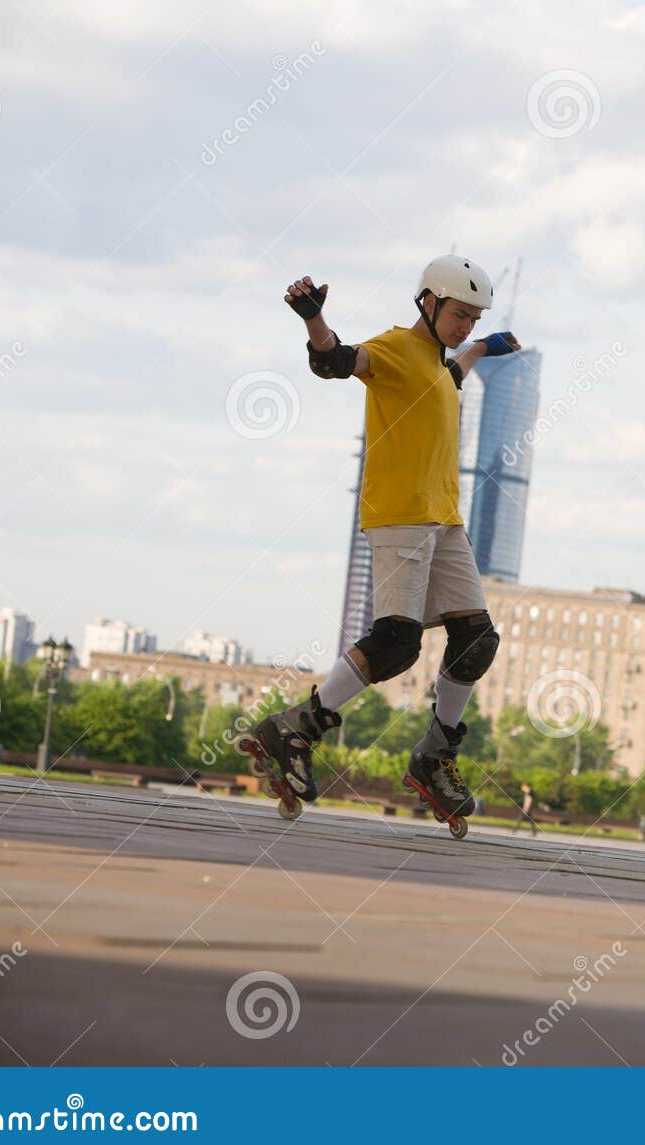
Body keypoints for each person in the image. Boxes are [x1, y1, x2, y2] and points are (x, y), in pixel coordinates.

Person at [245, 258, 520, 822]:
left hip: (445, 521)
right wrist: (314, 322)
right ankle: (296, 729)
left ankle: (434, 755)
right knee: (397, 643)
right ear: (427, 302)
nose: (464, 326)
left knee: (477, 640)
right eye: (458, 315)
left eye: (473, 318)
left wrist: (484, 348)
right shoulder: (395, 350)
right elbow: (337, 360)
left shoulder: (440, 368)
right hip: (399, 518)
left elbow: (453, 374)